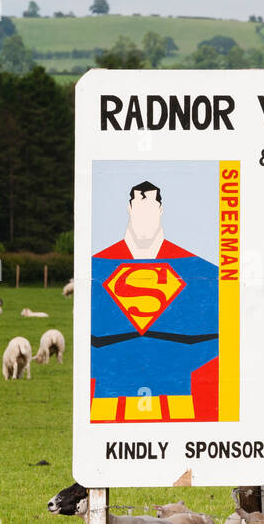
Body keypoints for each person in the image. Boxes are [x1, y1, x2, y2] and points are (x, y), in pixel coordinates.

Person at [90, 181, 219, 422]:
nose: (144, 214)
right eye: (139, 205)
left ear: (160, 209)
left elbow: (217, 338)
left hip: (177, 400)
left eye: (150, 206)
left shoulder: (198, 270)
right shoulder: (96, 267)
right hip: (108, 404)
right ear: (129, 208)